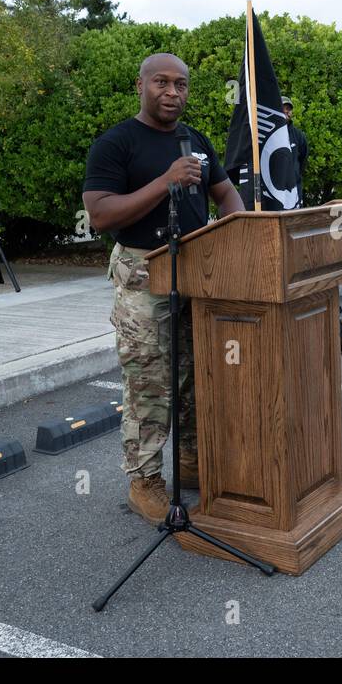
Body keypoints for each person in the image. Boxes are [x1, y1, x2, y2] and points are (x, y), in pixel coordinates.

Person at [82, 53, 245, 525]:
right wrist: (165, 182)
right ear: (141, 85)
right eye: (162, 83)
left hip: (197, 271)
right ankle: (145, 480)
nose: (173, 92)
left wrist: (236, 227)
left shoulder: (194, 140)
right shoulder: (115, 144)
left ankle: (191, 463)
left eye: (181, 85)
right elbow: (102, 214)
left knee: (196, 376)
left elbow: (225, 191)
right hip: (143, 276)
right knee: (150, 385)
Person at [281, 95, 309, 208]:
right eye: (283, 108)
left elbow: (303, 158)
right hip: (276, 190)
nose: (286, 111)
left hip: (294, 189)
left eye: (288, 109)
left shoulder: (298, 135)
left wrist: (295, 174)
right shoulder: (269, 135)